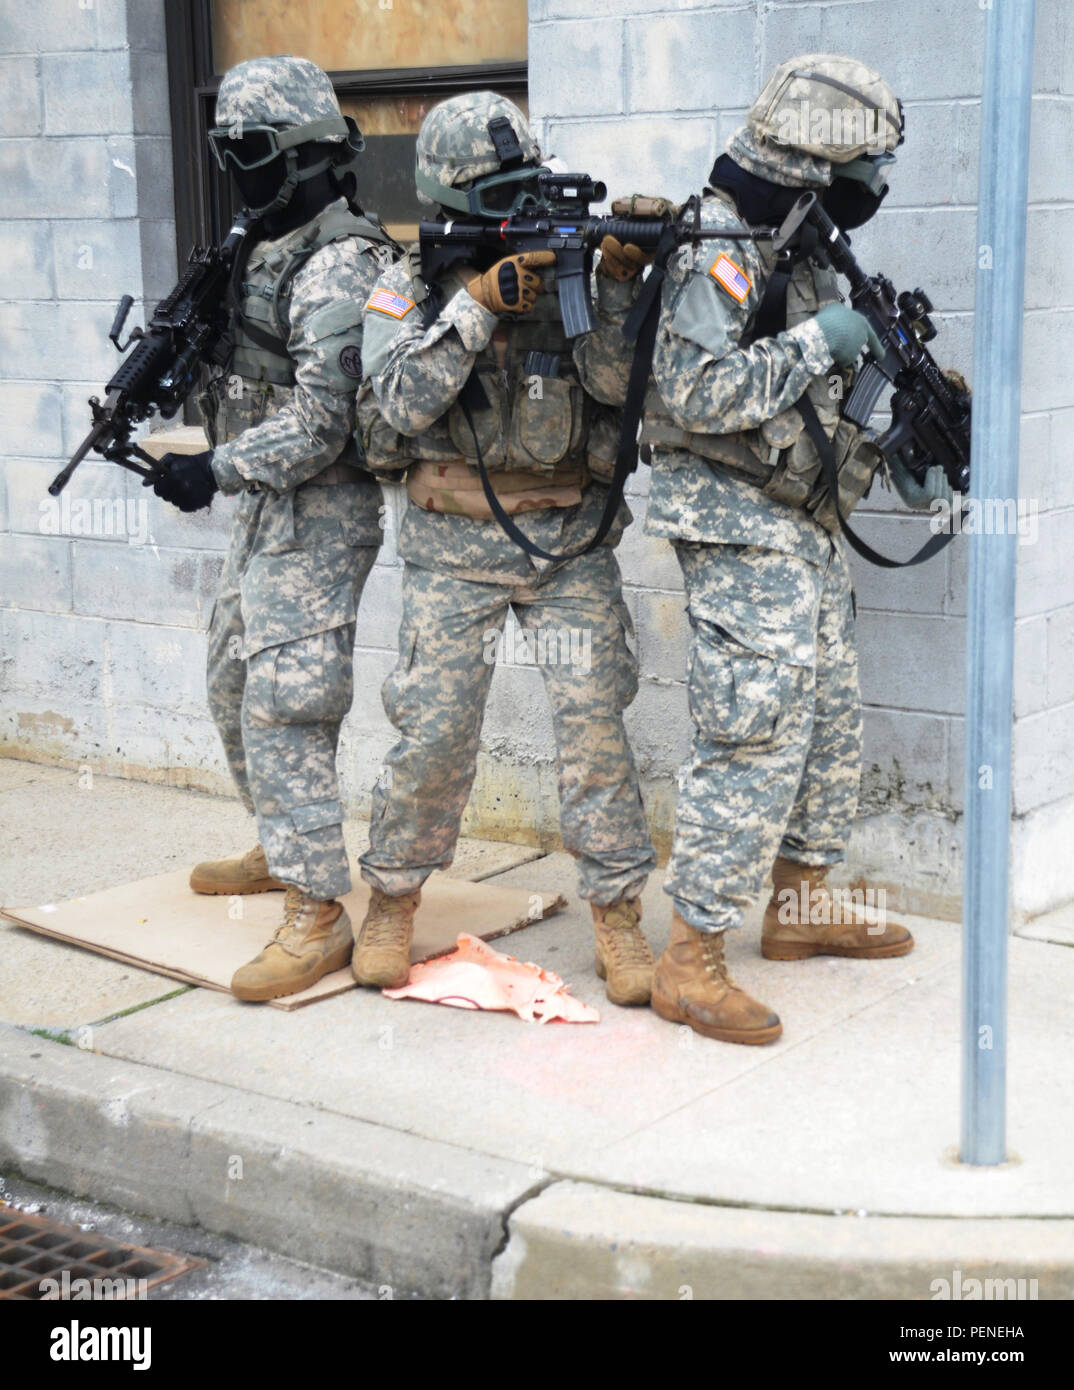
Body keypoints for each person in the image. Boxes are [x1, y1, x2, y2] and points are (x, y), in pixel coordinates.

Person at [643, 55, 950, 1044]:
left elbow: (814, 409)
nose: (878, 187)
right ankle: (690, 960)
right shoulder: (720, 248)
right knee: (753, 738)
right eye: (870, 163)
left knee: (824, 726)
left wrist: (899, 449)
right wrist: (823, 340)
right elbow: (693, 394)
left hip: (801, 524)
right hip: (736, 523)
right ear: (817, 159)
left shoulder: (799, 247)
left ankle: (800, 909)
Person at [352, 92, 657, 1006]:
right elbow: (397, 403)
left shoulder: (569, 264)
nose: (524, 214)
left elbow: (615, 383)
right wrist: (479, 305)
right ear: (453, 199)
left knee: (597, 725)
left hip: (569, 539)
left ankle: (617, 917)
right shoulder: (406, 282)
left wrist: (612, 281)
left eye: (531, 189)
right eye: (502, 197)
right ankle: (394, 900)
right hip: (454, 544)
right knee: (435, 732)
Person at [150, 56, 397, 1002]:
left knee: (285, 704)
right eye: (223, 153)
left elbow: (323, 420)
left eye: (248, 153)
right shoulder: (261, 244)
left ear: (302, 156)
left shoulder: (343, 262)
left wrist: (211, 467)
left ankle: (316, 914)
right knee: (229, 682)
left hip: (320, 510)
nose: (235, 173)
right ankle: (283, 840)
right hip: (266, 505)